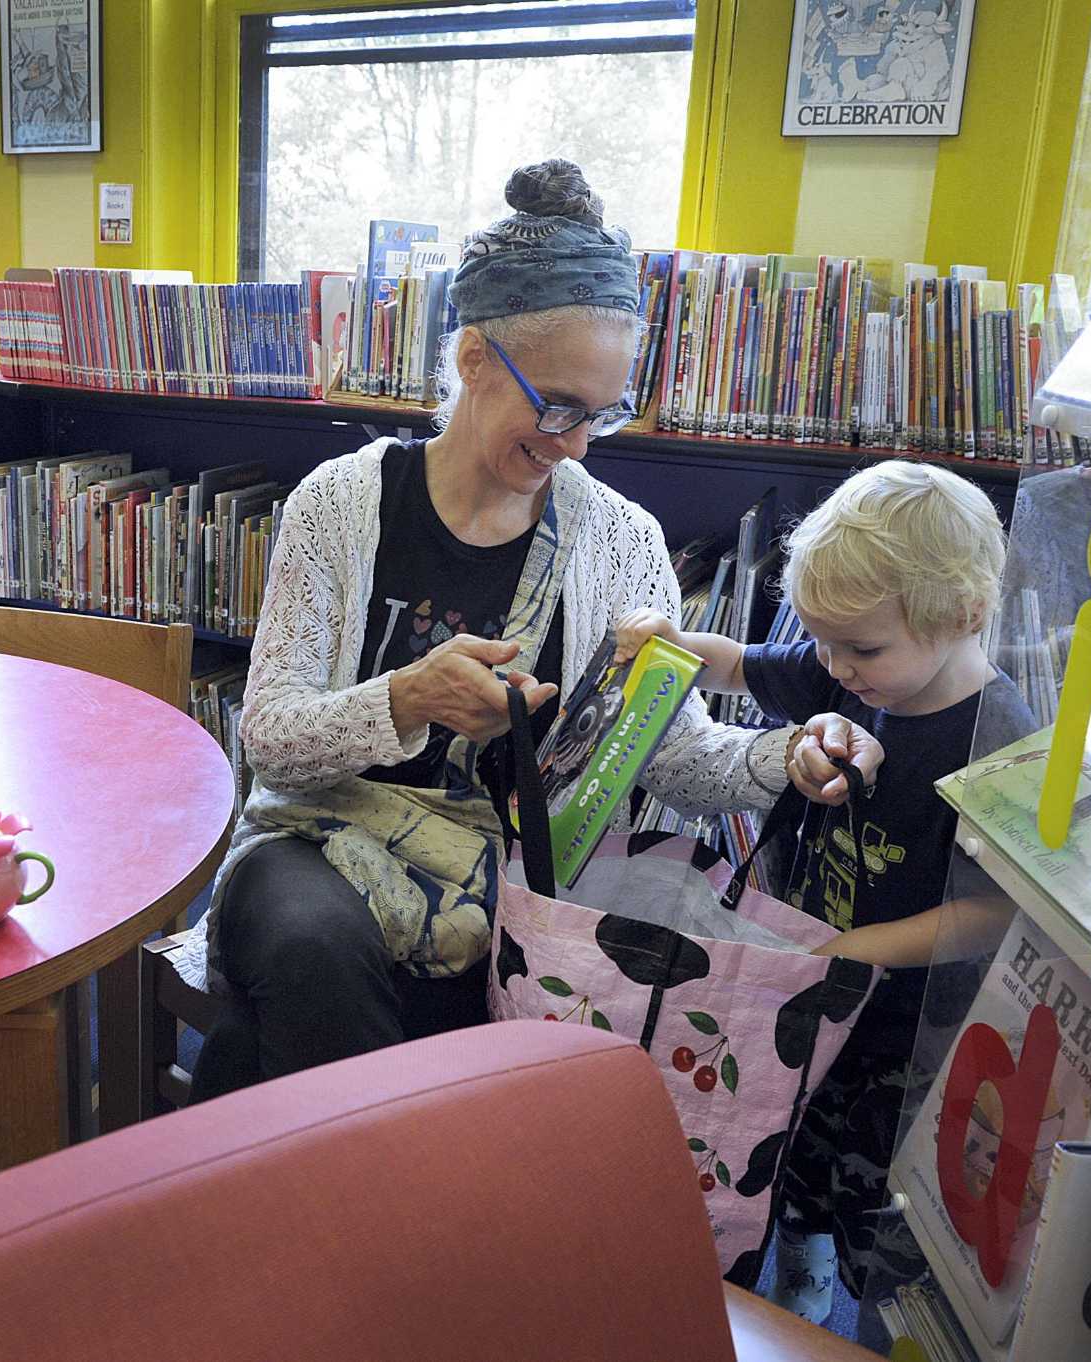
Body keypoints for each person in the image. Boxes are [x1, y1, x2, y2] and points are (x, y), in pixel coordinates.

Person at [189, 159, 815, 1104]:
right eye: (558, 405)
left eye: (601, 415)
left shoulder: (623, 541)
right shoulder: (345, 504)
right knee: (317, 949)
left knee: (430, 997)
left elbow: (670, 754)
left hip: (507, 873)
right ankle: (385, 1222)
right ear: (476, 358)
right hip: (317, 840)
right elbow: (270, 739)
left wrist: (787, 756)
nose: (575, 445)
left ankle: (284, 1188)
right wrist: (407, 698)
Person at [615, 458, 1036, 1332]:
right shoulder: (851, 663)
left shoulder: (1000, 741)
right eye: (823, 642)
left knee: (877, 1212)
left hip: (906, 1042)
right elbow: (740, 667)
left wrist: (852, 953)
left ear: (964, 615)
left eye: (862, 649)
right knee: (791, 1162)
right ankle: (796, 1301)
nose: (837, 669)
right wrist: (672, 645)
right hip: (812, 1007)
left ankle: (863, 1322)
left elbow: (993, 911)